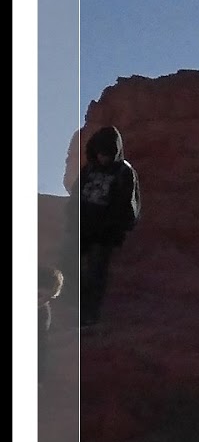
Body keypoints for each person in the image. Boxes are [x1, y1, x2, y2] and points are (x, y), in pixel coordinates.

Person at [65, 125, 142, 328]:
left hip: (104, 233)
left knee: (96, 274)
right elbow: (76, 195)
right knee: (71, 268)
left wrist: (115, 229)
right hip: (82, 228)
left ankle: (89, 316)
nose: (103, 158)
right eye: (100, 153)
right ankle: (74, 311)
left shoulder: (124, 171)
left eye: (108, 154)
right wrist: (72, 218)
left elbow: (127, 202)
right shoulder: (89, 169)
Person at [39, 266, 64, 381]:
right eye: (39, 295)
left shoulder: (42, 314)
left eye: (48, 298)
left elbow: (40, 347)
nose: (42, 301)